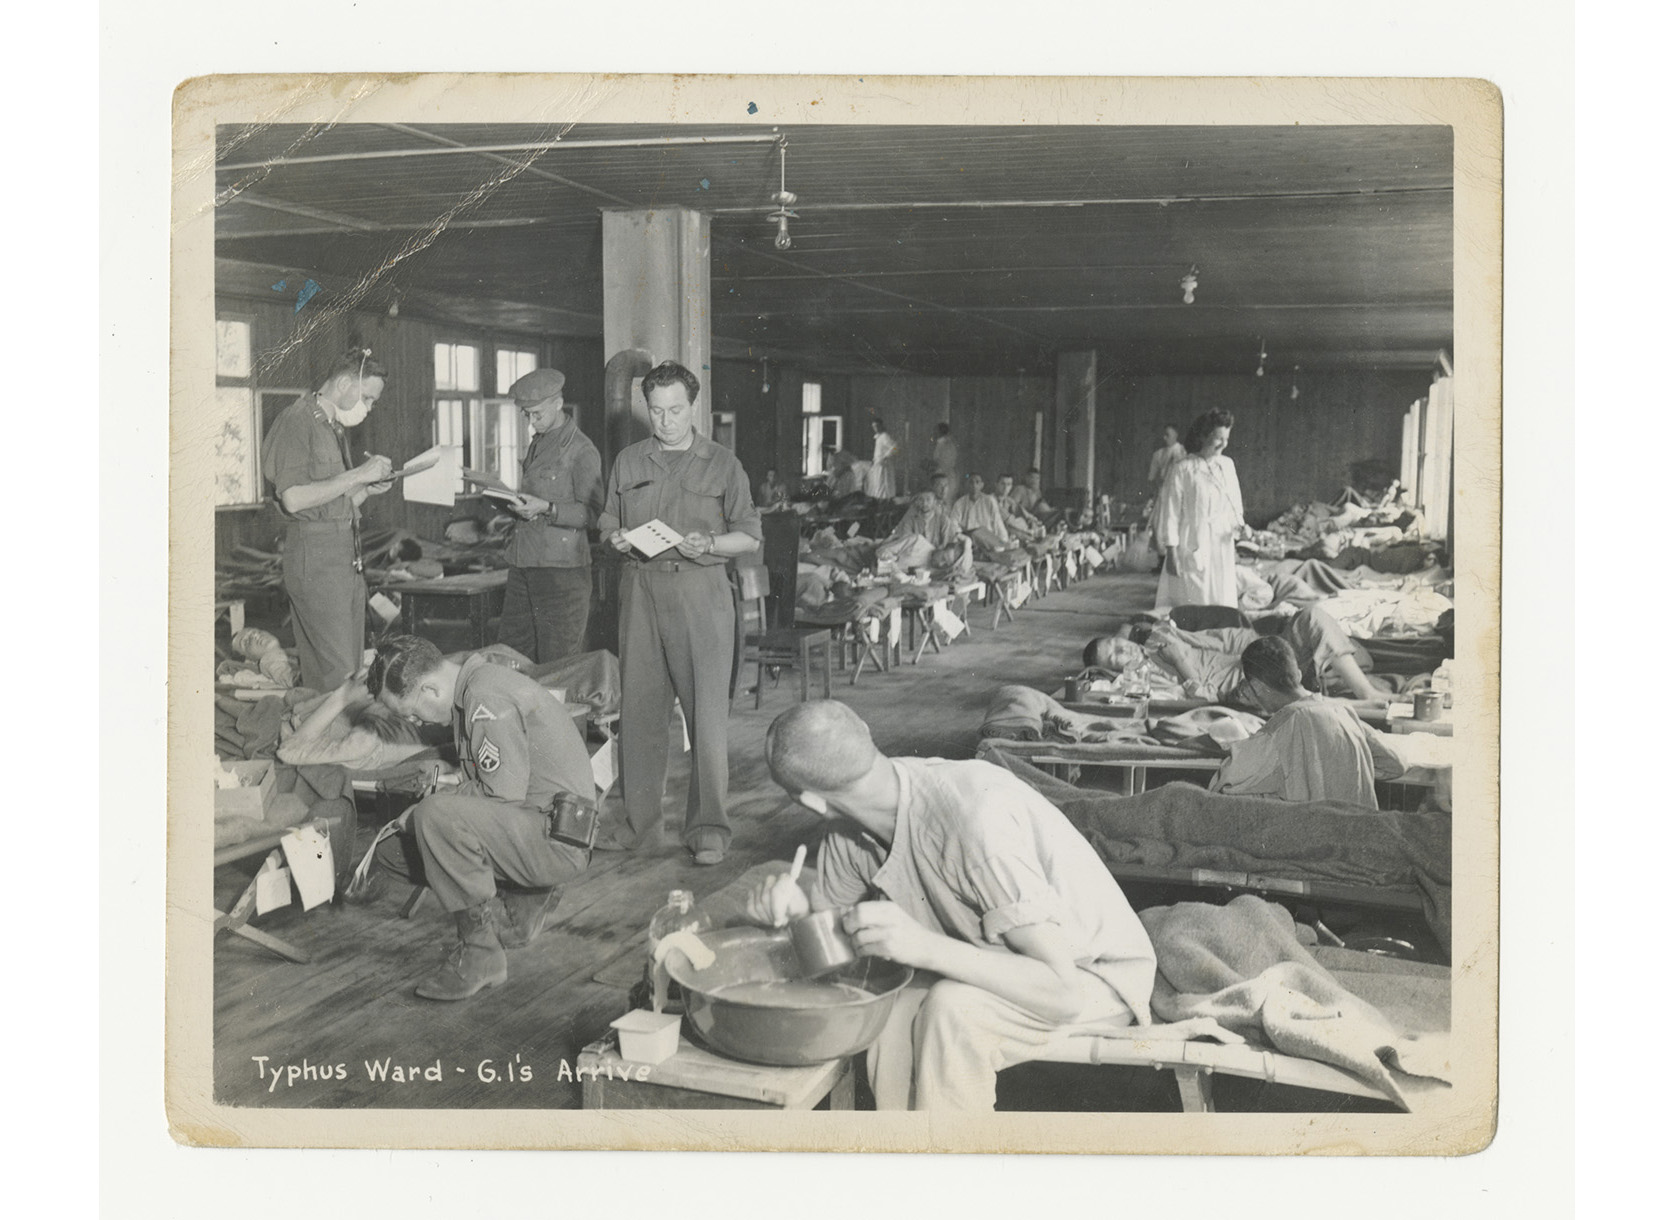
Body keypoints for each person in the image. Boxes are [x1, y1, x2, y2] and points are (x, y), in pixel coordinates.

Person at [743, 701, 1156, 1111]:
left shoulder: (972, 819)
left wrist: (925, 947)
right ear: (866, 732)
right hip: (999, 962)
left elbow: (1063, 992)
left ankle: (952, 1172)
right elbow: (840, 971)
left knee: (953, 1011)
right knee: (893, 1005)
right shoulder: (846, 836)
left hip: (1096, 976)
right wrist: (800, 916)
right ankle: (903, 1159)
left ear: (810, 801)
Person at [365, 635, 594, 1000]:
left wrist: (430, 807)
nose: (416, 723)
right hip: (548, 826)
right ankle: (525, 896)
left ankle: (480, 955)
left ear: (429, 689)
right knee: (396, 848)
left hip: (555, 841)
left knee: (434, 818)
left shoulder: (485, 699)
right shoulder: (477, 684)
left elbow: (501, 795)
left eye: (411, 712)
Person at [597, 360, 762, 865]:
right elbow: (606, 522)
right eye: (656, 411)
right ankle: (637, 825)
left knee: (706, 716)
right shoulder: (628, 461)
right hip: (640, 591)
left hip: (700, 592)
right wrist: (614, 538)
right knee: (641, 714)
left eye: (675, 410)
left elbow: (750, 535)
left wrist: (709, 542)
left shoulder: (723, 463)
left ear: (694, 406)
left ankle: (709, 827)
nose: (666, 420)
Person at [259, 348, 394, 692]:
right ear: (345, 383)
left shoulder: (331, 428)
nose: (369, 407)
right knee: (337, 675)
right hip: (316, 555)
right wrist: (356, 476)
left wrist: (367, 488)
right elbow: (293, 498)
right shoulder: (297, 420)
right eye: (367, 397)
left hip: (342, 553)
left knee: (346, 666)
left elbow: (334, 501)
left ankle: (322, 738)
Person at [1210, 637, 1404, 806]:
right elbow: (1396, 763)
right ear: (1299, 675)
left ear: (1257, 687)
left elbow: (1222, 783)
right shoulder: (1344, 713)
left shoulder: (1279, 729)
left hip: (1316, 844)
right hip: (1362, 838)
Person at [496, 368, 604, 664]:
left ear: (558, 404)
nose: (531, 422)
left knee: (557, 664)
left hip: (561, 574)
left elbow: (594, 514)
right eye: (526, 415)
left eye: (537, 414)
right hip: (524, 564)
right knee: (511, 657)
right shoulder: (539, 442)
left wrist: (547, 508)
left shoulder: (581, 450)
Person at [1082, 603, 1388, 705]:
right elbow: (1205, 698)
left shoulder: (1162, 639)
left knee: (1310, 617)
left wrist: (1269, 644)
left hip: (1260, 657)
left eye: (1118, 643)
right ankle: (1365, 693)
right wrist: (1182, 664)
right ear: (1113, 672)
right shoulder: (1145, 683)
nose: (1124, 650)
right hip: (1249, 686)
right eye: (1115, 657)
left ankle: (1360, 688)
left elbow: (1224, 639)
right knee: (1323, 637)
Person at [1154, 409, 1244, 611]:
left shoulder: (1227, 465)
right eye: (1217, 438)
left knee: (1221, 598)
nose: (1223, 444)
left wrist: (1241, 527)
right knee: (1196, 600)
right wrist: (1171, 552)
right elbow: (1171, 513)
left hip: (1221, 543)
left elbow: (1235, 506)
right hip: (1193, 541)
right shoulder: (1183, 468)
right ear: (1203, 436)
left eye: (1226, 438)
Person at [950, 473, 1013, 541]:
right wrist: (964, 539)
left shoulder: (989, 501)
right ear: (967, 485)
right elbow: (953, 525)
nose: (974, 485)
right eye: (971, 482)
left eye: (977, 482)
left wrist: (1004, 542)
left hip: (987, 540)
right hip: (968, 540)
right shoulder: (959, 503)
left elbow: (998, 523)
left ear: (982, 485)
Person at [994, 473, 1045, 541]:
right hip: (996, 531)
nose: (1005, 488)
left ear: (1011, 486)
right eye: (1002, 484)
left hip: (1012, 531)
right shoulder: (990, 500)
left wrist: (1031, 520)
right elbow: (1009, 521)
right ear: (996, 484)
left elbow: (1024, 513)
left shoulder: (1009, 501)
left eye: (1008, 484)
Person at [865, 418, 899, 500]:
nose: (875, 428)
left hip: (884, 466)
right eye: (873, 426)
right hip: (878, 464)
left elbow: (895, 448)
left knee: (883, 485)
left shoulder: (884, 436)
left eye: (877, 426)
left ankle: (885, 501)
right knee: (877, 484)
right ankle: (879, 501)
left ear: (881, 426)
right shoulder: (878, 438)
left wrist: (885, 457)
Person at [929, 422, 959, 500]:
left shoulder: (946, 444)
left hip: (945, 477)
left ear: (939, 431)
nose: (933, 432)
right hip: (943, 476)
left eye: (935, 430)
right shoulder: (941, 443)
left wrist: (932, 465)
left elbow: (944, 462)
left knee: (944, 501)